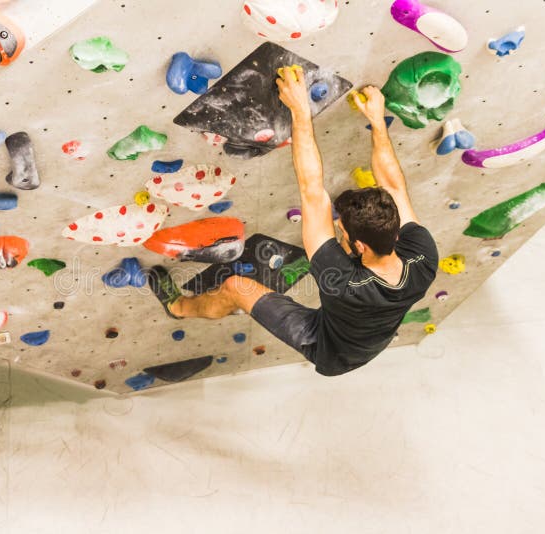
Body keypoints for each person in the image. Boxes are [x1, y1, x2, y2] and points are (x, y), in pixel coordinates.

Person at [148, 67, 438, 376]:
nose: (337, 231)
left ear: (361, 246)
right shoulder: (423, 255)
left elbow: (312, 190)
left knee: (235, 287)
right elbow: (393, 186)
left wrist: (300, 110)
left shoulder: (342, 282)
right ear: (396, 232)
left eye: (341, 231)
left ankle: (179, 308)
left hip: (329, 349)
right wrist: (378, 121)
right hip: (370, 334)